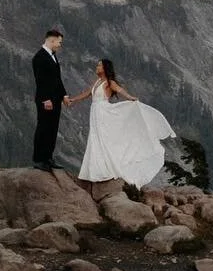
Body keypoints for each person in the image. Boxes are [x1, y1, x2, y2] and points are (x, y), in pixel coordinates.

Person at [67, 57, 176, 189]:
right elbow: (87, 93)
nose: (97, 67)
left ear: (105, 68)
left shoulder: (109, 82)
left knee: (103, 139)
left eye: (99, 66)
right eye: (97, 65)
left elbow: (120, 90)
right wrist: (73, 100)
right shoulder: (97, 82)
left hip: (103, 112)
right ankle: (96, 171)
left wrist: (130, 98)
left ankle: (106, 170)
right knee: (95, 139)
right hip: (95, 112)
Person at [31, 27, 67, 172]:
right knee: (43, 128)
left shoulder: (53, 56)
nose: (60, 45)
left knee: (52, 128)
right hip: (46, 100)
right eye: (59, 42)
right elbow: (41, 81)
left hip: (56, 99)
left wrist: (63, 95)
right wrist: (46, 99)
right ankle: (39, 159)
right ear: (51, 40)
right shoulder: (39, 57)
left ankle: (48, 157)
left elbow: (57, 79)